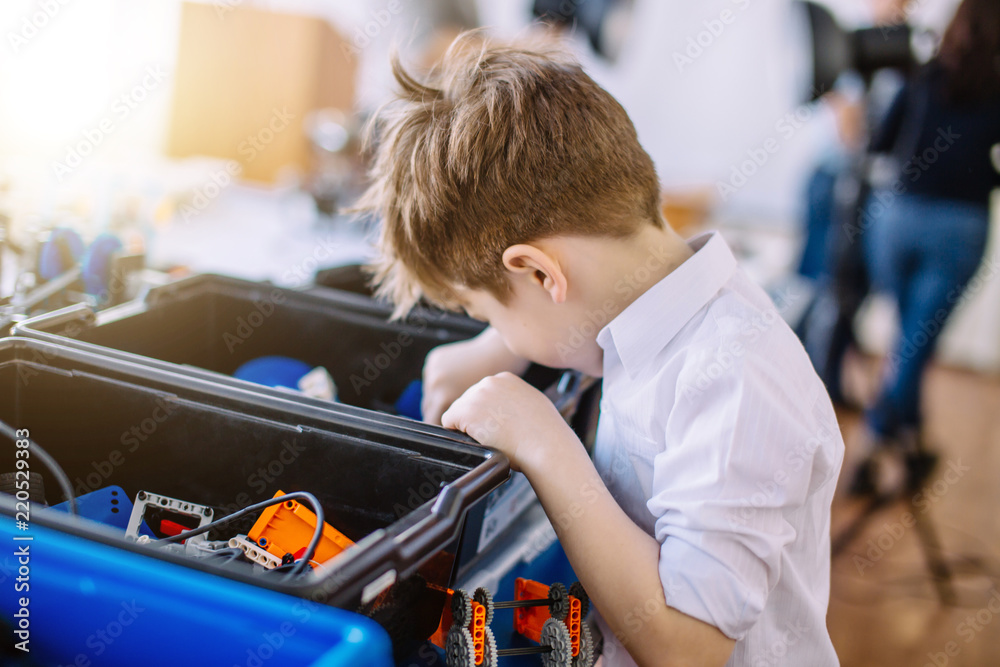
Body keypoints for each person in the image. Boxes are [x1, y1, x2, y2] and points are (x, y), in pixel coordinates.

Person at [356, 33, 843, 667]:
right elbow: (580, 311)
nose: (495, 330)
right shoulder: (660, 295)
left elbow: (689, 648)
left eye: (485, 311)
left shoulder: (735, 377)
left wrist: (544, 443)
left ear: (539, 275)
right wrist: (496, 341)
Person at [849, 0, 1000, 495]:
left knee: (908, 341)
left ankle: (913, 444)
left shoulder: (922, 74)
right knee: (915, 344)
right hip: (958, 226)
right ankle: (873, 451)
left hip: (894, 219)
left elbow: (881, 142)